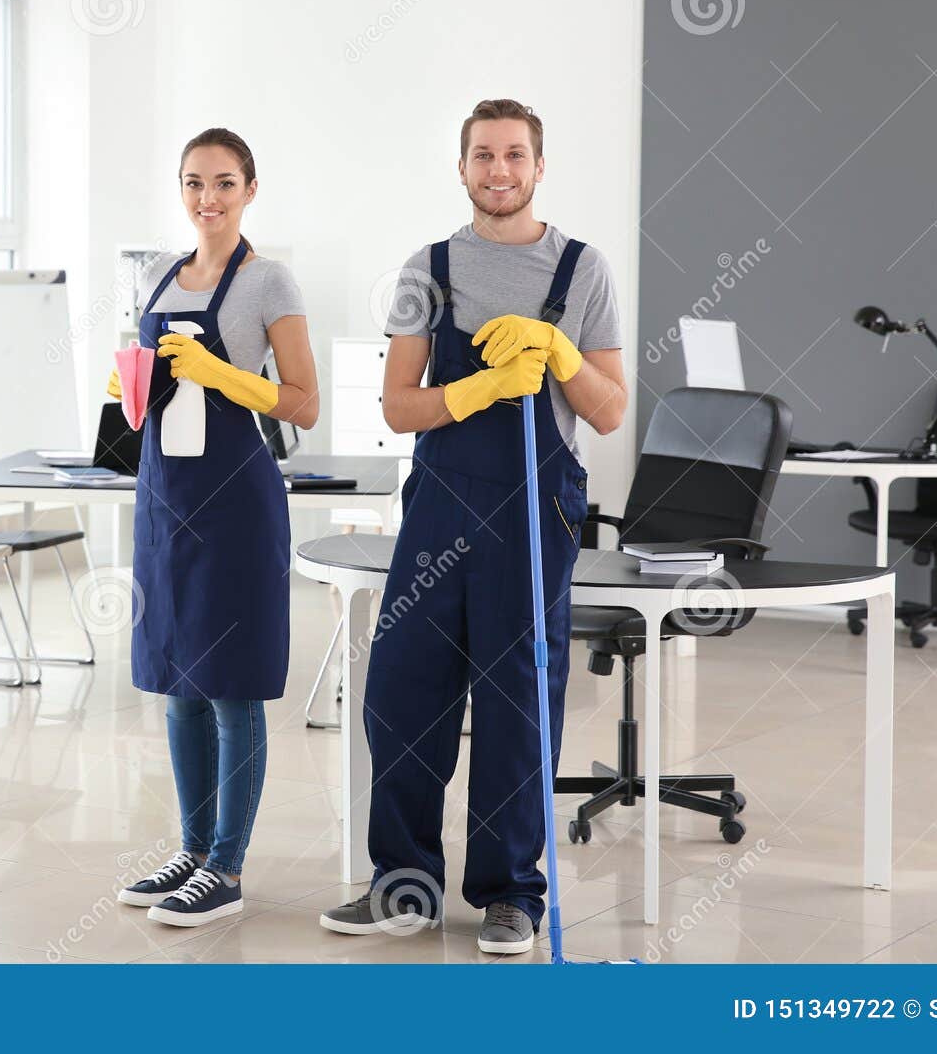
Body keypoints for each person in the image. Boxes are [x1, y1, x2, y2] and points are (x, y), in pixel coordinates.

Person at [320, 100, 626, 954]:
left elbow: (607, 411)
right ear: (461, 168)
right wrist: (477, 391)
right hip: (440, 507)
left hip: (535, 512)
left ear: (538, 166)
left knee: (516, 702)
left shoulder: (582, 271)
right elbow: (396, 406)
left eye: (515, 155)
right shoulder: (429, 268)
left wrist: (561, 355)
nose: (499, 170)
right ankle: (404, 885)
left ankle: (509, 894)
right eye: (483, 156)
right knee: (403, 692)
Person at [111, 128, 319, 926]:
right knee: (179, 686)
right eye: (194, 183)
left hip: (236, 503)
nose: (208, 198)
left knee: (231, 686)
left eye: (224, 182)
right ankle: (191, 852)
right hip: (165, 501)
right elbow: (150, 400)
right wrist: (129, 382)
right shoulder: (163, 276)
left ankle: (228, 868)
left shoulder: (269, 281)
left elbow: (303, 400)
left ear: (251, 189)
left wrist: (225, 374)